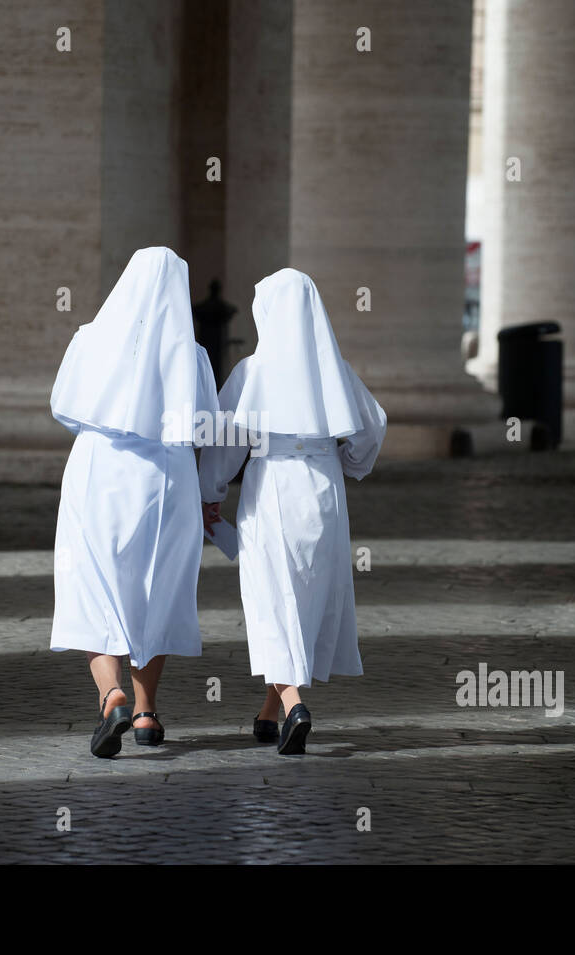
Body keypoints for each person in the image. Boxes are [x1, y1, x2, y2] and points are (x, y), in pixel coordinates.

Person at [197, 268, 386, 755]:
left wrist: (209, 491)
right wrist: (348, 461)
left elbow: (225, 439)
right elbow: (372, 425)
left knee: (271, 596)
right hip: (324, 487)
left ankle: (295, 704)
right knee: (303, 595)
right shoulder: (334, 371)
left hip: (274, 483)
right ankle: (268, 712)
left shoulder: (252, 372)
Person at [49, 247, 219, 758]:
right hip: (168, 475)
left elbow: (63, 405)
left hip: (100, 464)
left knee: (92, 580)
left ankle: (111, 693)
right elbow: (207, 423)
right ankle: (146, 712)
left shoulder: (89, 338)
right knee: (159, 588)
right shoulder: (191, 354)